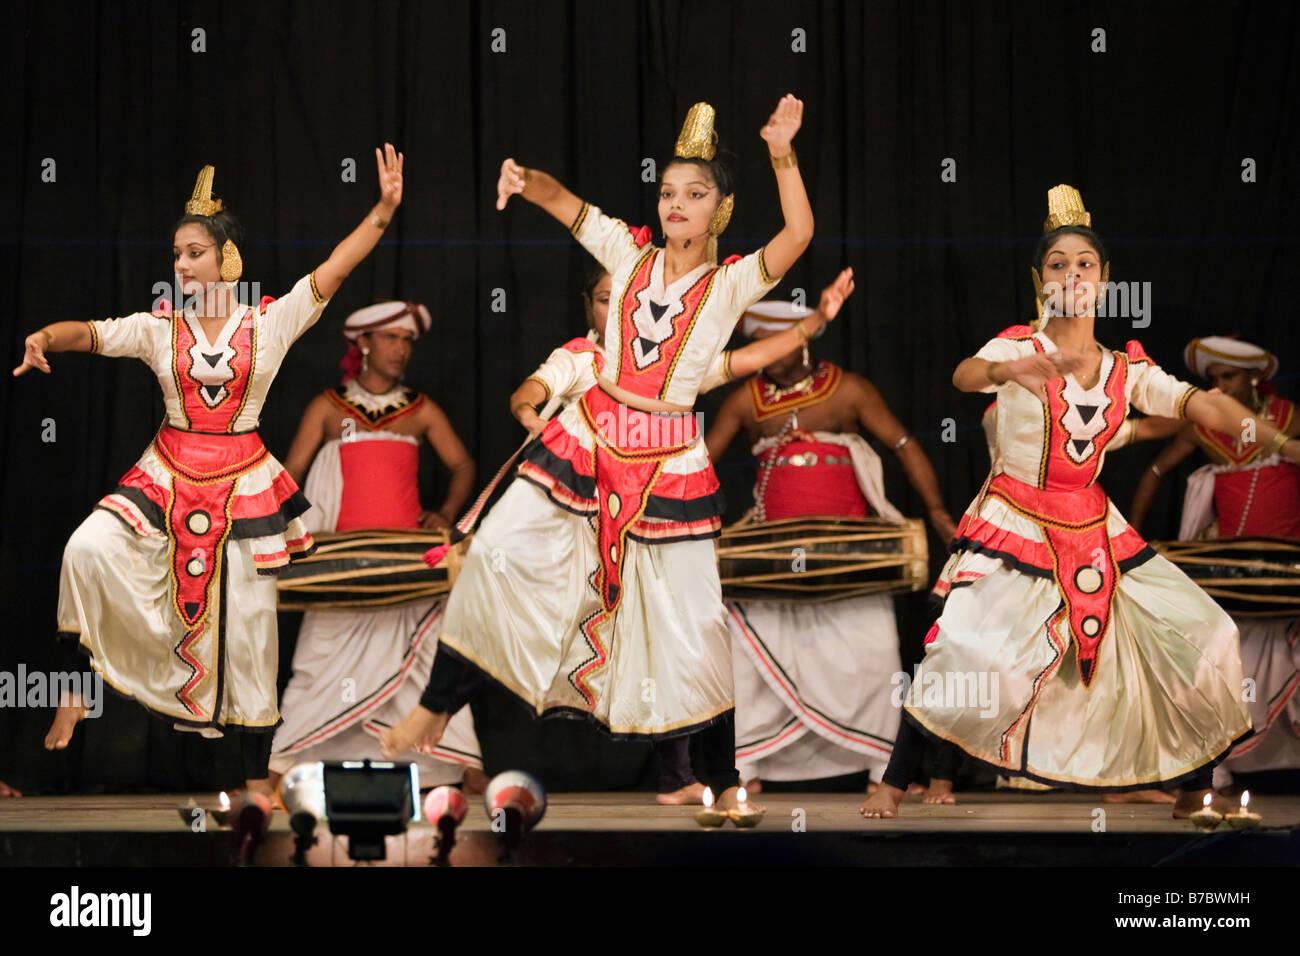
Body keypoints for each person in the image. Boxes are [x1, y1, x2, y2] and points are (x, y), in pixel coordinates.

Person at [380, 96, 814, 814]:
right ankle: (434, 705)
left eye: (695, 194)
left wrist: (781, 150)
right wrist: (523, 180)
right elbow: (566, 202)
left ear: (722, 209)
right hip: (588, 436)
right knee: (495, 555)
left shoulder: (731, 283)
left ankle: (724, 782)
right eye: (669, 191)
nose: (677, 203)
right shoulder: (627, 253)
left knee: (697, 625)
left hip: (670, 455)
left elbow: (799, 231)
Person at [859, 184, 1295, 819]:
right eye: (1058, 265)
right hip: (1014, 516)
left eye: (1084, 265)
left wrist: (1280, 440)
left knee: (1201, 633)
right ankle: (893, 782)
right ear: (1041, 280)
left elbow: (1207, 406)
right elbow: (964, 375)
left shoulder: (1128, 372)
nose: (1072, 274)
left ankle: (1195, 788)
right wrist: (1006, 372)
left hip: (1093, 524)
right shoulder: (1017, 348)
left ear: (1105, 279)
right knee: (964, 652)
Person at [14, 147, 405, 795]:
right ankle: (80, 681)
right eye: (175, 255)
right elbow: (89, 332)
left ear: (227, 259)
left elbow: (335, 269)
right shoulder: (158, 329)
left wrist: (384, 211)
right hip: (167, 473)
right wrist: (44, 339)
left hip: (245, 481)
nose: (181, 264)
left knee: (251, 633)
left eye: (193, 251)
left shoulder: (269, 323)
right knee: (89, 549)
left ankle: (256, 779)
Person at [511, 266, 855, 804]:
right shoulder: (582, 357)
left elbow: (746, 360)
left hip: (671, 526)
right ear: (591, 308)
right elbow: (534, 389)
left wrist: (815, 321)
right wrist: (530, 412)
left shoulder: (673, 361)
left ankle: (697, 778)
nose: (615, 309)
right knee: (629, 648)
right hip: (603, 534)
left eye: (624, 298)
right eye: (604, 299)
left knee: (692, 641)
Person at [704, 294, 958, 799]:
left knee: (874, 651)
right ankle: (750, 766)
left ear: (803, 341)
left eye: (777, 345)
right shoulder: (743, 401)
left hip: (851, 557)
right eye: (759, 345)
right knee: (749, 656)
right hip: (771, 557)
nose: (766, 355)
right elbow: (702, 463)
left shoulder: (848, 390)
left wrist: (936, 512)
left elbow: (902, 443)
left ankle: (879, 769)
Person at [268, 301, 486, 793]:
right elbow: (289, 477)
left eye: (407, 341)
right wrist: (289, 540)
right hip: (341, 561)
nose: (401, 349)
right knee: (320, 662)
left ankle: (461, 764)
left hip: (407, 561)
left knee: (430, 657)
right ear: (363, 343)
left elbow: (464, 466)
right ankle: (278, 766)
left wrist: (445, 516)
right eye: (391, 338)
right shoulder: (328, 407)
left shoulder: (420, 410)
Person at [1129, 336, 1300, 787]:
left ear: (1254, 378)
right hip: (1234, 571)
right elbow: (1155, 471)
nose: (1219, 386)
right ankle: (1216, 765)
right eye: (1213, 379)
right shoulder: (1202, 427)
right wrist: (1132, 532)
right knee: (1220, 660)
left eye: (1229, 376)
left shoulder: (1289, 419)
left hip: (1287, 566)